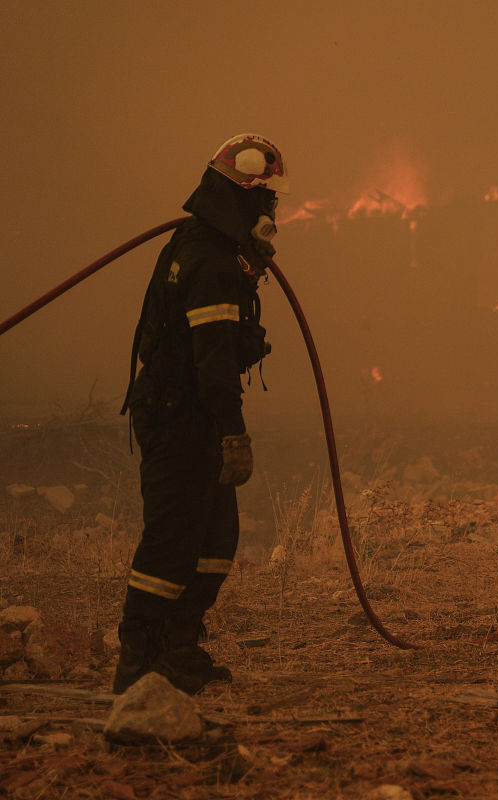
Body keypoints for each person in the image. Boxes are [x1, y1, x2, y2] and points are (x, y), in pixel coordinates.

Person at [112, 134, 288, 693]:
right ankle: (139, 661)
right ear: (242, 199)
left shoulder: (212, 250)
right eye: (265, 199)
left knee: (215, 541)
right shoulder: (208, 260)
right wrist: (234, 434)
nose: (272, 210)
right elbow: (213, 361)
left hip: (193, 415)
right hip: (179, 416)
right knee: (172, 541)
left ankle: (179, 647)